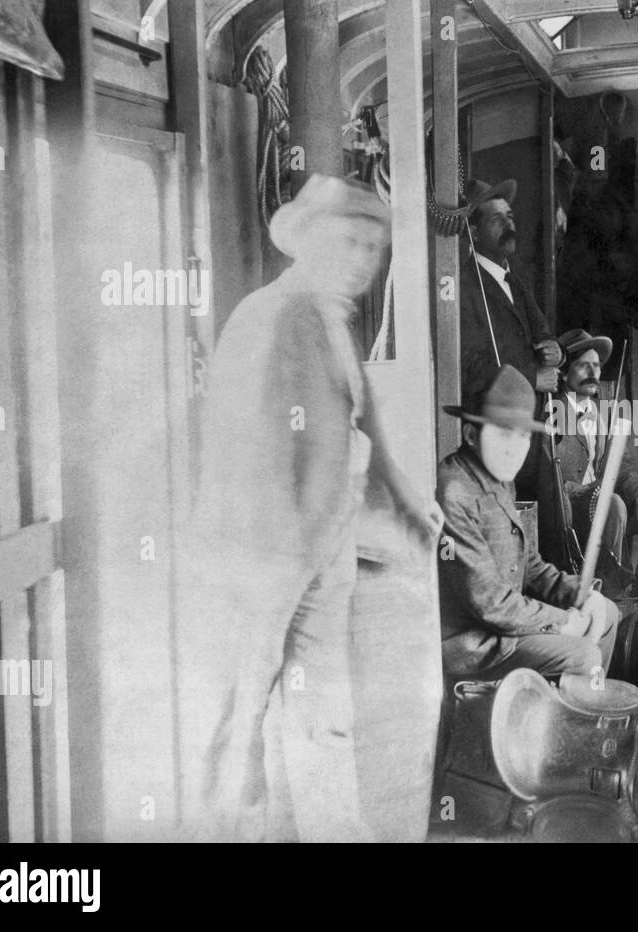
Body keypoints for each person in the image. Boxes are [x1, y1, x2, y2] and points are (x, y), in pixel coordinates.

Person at [181, 174, 443, 841]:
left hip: (321, 546)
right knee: (237, 720)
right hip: (261, 553)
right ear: (312, 243)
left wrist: (409, 504)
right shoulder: (269, 317)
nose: (362, 261)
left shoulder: (329, 317)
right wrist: (278, 573)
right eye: (350, 244)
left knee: (323, 717)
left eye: (371, 249)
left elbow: (362, 427)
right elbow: (252, 462)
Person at [438, 365, 619, 680]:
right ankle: (569, 720)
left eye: (523, 436)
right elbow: (491, 604)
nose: (515, 449)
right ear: (470, 434)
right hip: (474, 645)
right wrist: (563, 621)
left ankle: (587, 712)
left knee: (607, 614)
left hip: (506, 629)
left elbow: (530, 566)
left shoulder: (500, 479)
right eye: (504, 433)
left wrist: (581, 594)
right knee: (583, 656)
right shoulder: (453, 492)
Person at [545, 328, 638, 592]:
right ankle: (613, 595)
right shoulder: (551, 410)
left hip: (609, 506)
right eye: (583, 365)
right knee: (612, 503)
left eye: (596, 366)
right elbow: (551, 476)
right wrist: (593, 492)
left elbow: (622, 470)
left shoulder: (604, 414)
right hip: (572, 511)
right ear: (563, 373)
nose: (593, 372)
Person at [459, 177, 562, 397]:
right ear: (474, 233)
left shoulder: (515, 275)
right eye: (497, 219)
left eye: (509, 216)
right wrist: (532, 378)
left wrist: (555, 351)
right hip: (495, 415)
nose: (509, 226)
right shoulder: (465, 287)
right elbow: (469, 365)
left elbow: (541, 333)